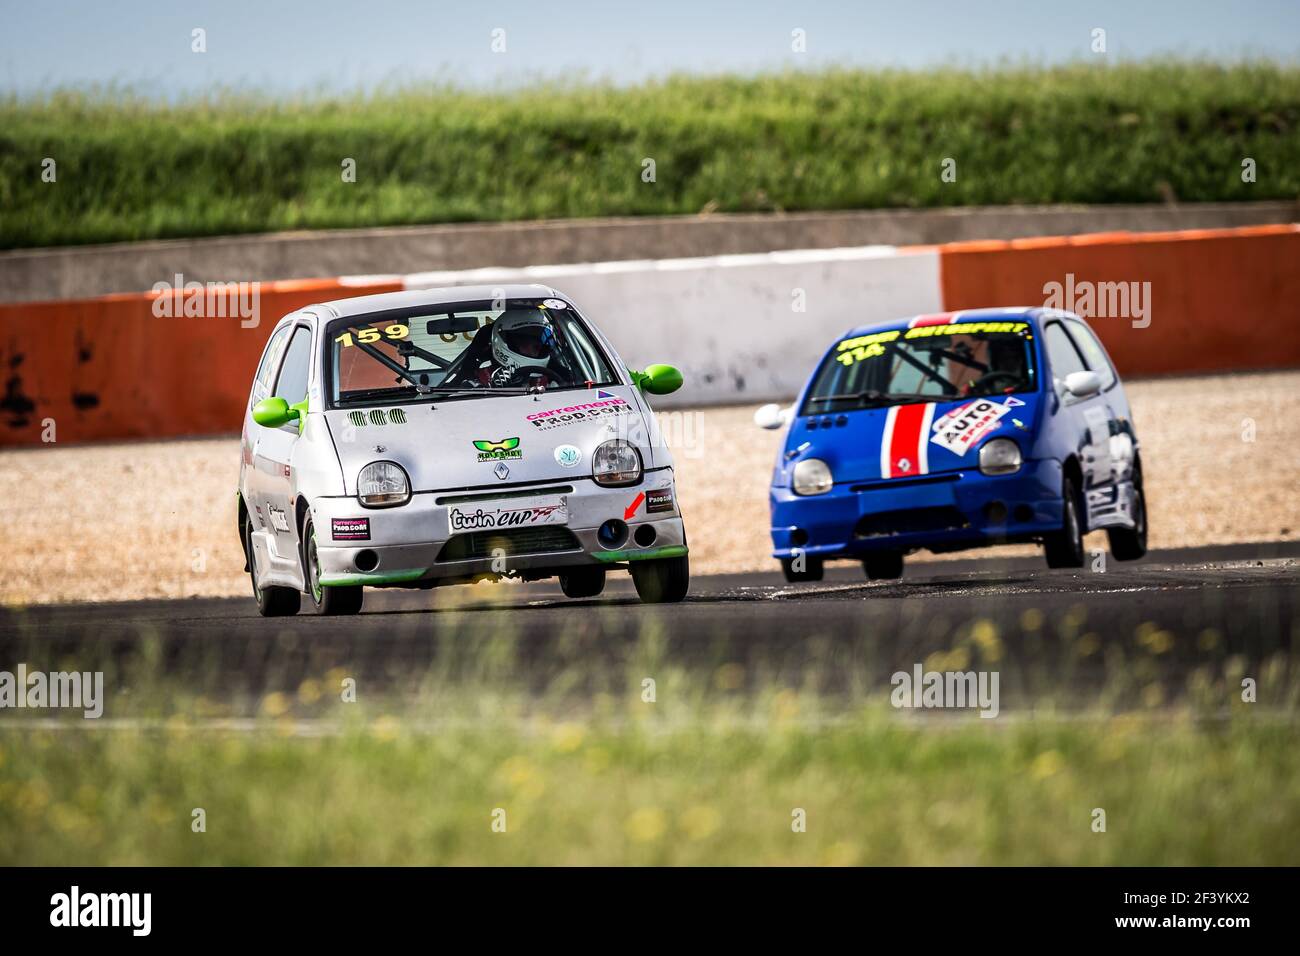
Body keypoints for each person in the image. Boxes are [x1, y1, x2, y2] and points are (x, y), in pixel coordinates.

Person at [474, 309, 558, 387]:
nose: (538, 347)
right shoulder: (478, 385)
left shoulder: (555, 384)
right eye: (526, 340)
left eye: (539, 341)